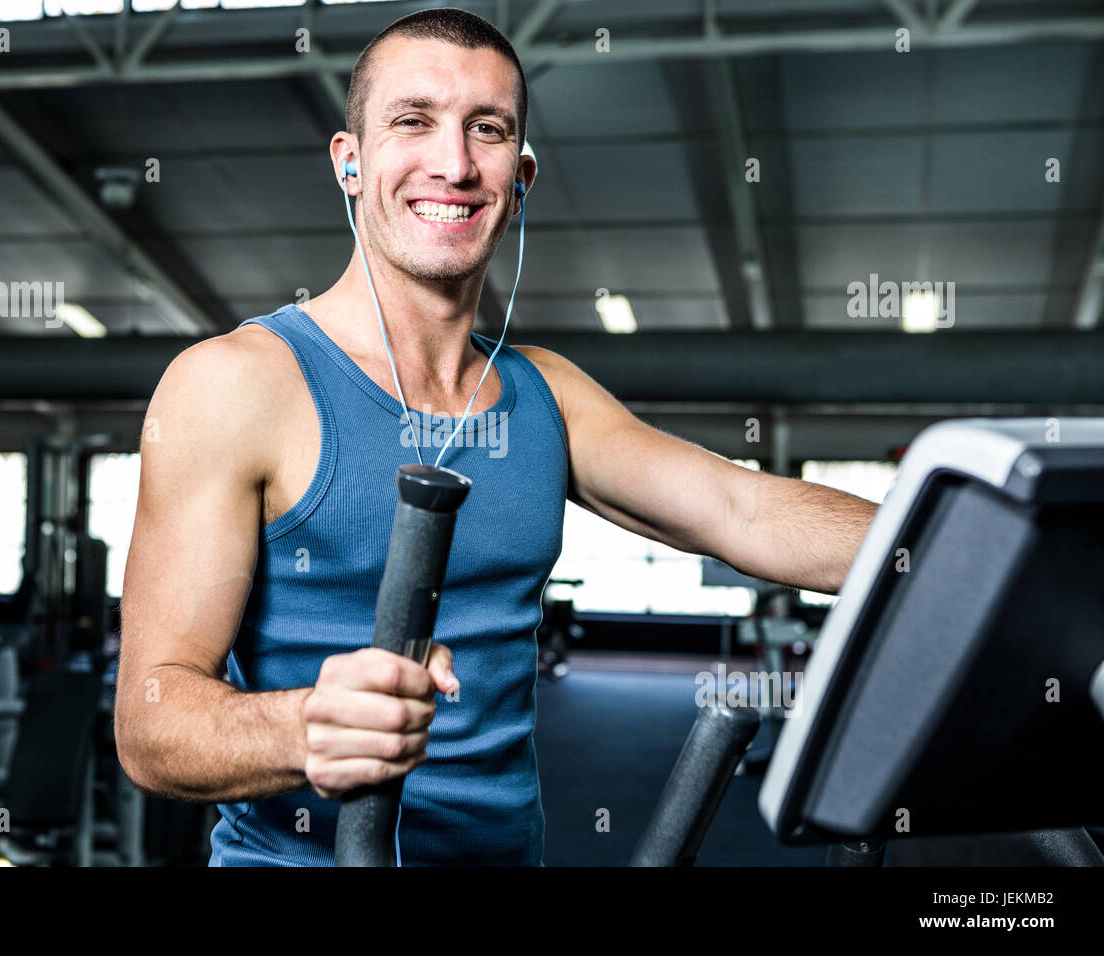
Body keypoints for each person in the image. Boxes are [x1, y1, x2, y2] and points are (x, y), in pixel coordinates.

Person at [114, 7, 878, 866]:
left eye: (488, 131)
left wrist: (964, 553)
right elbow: (151, 724)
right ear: (350, 162)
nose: (454, 163)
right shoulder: (236, 382)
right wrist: (302, 726)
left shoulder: (545, 393)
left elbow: (743, 508)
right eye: (413, 121)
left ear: (520, 176)